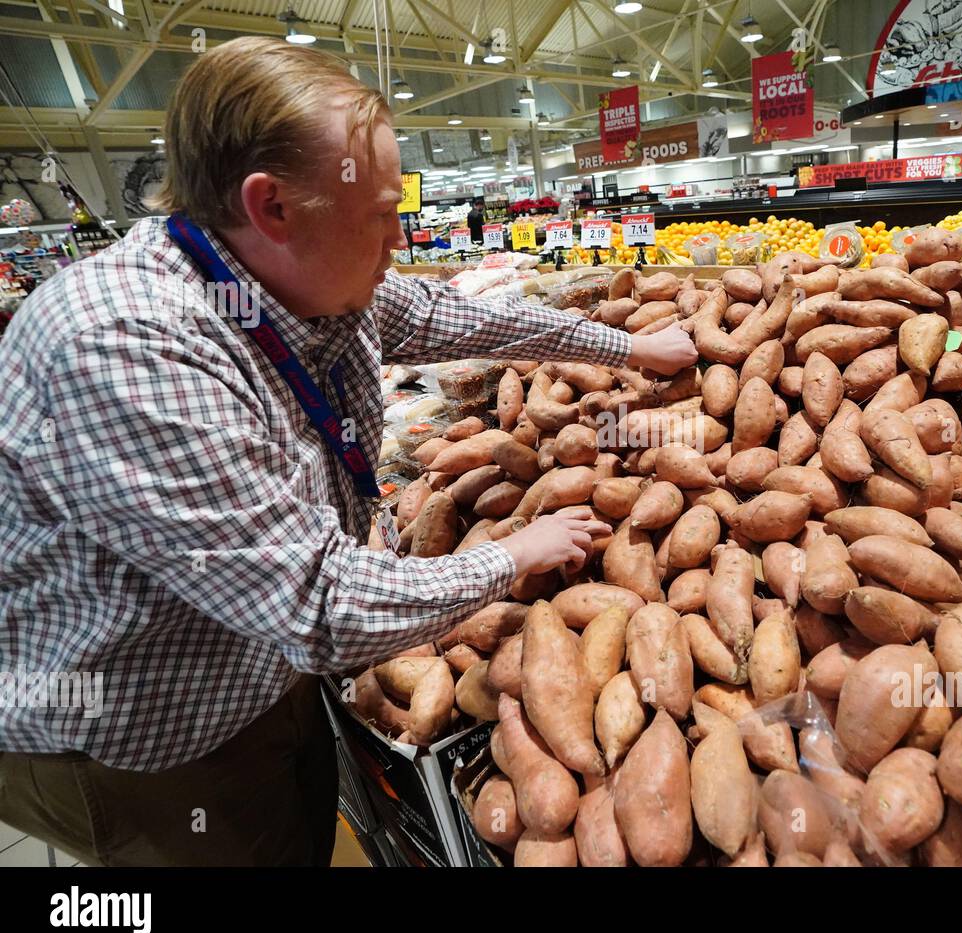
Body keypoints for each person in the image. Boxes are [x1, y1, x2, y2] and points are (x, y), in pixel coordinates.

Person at [0, 36, 696, 866]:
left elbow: (454, 318)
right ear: (273, 207)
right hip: (143, 734)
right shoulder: (124, 347)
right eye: (381, 214)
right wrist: (512, 556)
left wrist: (622, 348)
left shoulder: (287, 276)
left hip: (258, 669)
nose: (399, 238)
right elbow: (318, 608)